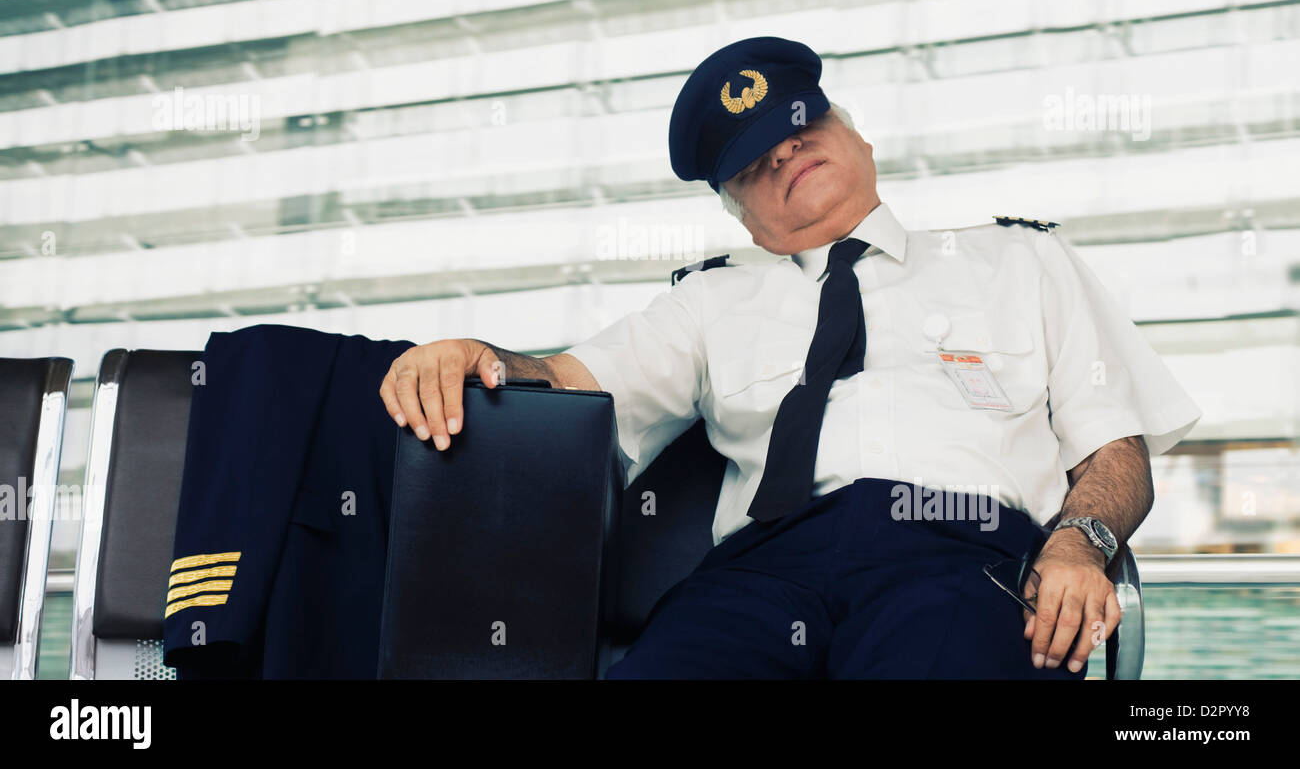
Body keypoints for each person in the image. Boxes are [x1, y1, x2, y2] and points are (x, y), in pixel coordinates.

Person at [378, 36, 1202, 678]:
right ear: (741, 213)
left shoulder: (1020, 260)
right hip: (759, 578)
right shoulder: (709, 301)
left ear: (857, 135)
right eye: (752, 163)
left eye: (801, 125)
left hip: (961, 555)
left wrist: (1079, 543)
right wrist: (476, 355)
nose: (783, 154)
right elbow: (568, 384)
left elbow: (1114, 451)